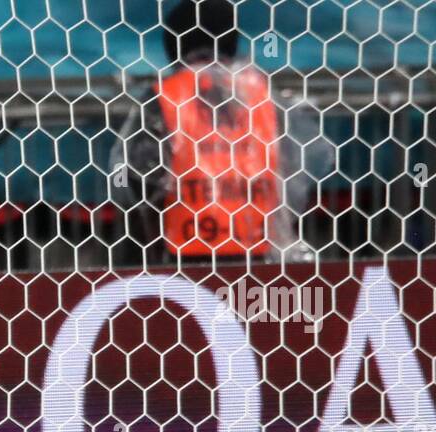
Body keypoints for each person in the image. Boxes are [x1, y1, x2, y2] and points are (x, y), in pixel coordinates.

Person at [110, 0, 318, 267]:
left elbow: (136, 174)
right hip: (256, 248)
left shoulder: (166, 95)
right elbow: (294, 168)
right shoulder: (262, 94)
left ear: (174, 44)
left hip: (185, 249)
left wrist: (142, 242)